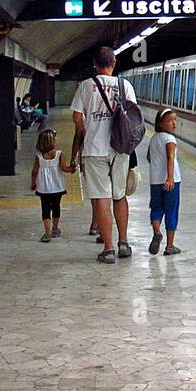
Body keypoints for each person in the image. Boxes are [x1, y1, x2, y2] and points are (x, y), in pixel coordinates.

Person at [73, 46, 139, 264]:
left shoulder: (85, 86)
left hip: (94, 150)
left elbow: (77, 118)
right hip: (119, 149)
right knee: (119, 195)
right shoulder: (125, 85)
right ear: (114, 63)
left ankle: (108, 249)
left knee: (101, 198)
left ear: (95, 63)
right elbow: (134, 118)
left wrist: (87, 131)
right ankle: (124, 243)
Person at [148, 108, 183, 256]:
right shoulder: (170, 139)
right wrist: (169, 177)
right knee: (171, 211)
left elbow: (149, 158)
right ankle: (169, 246)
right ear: (161, 124)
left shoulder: (154, 138)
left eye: (176, 120)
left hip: (155, 181)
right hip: (171, 181)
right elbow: (170, 158)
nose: (174, 124)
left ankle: (157, 232)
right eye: (171, 121)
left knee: (156, 209)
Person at [30, 127, 73, 242]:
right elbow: (64, 168)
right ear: (52, 142)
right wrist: (72, 169)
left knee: (45, 209)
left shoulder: (39, 156)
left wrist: (33, 183)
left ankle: (47, 232)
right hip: (57, 187)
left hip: (43, 188)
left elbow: (34, 172)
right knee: (56, 207)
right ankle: (55, 228)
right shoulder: (59, 155)